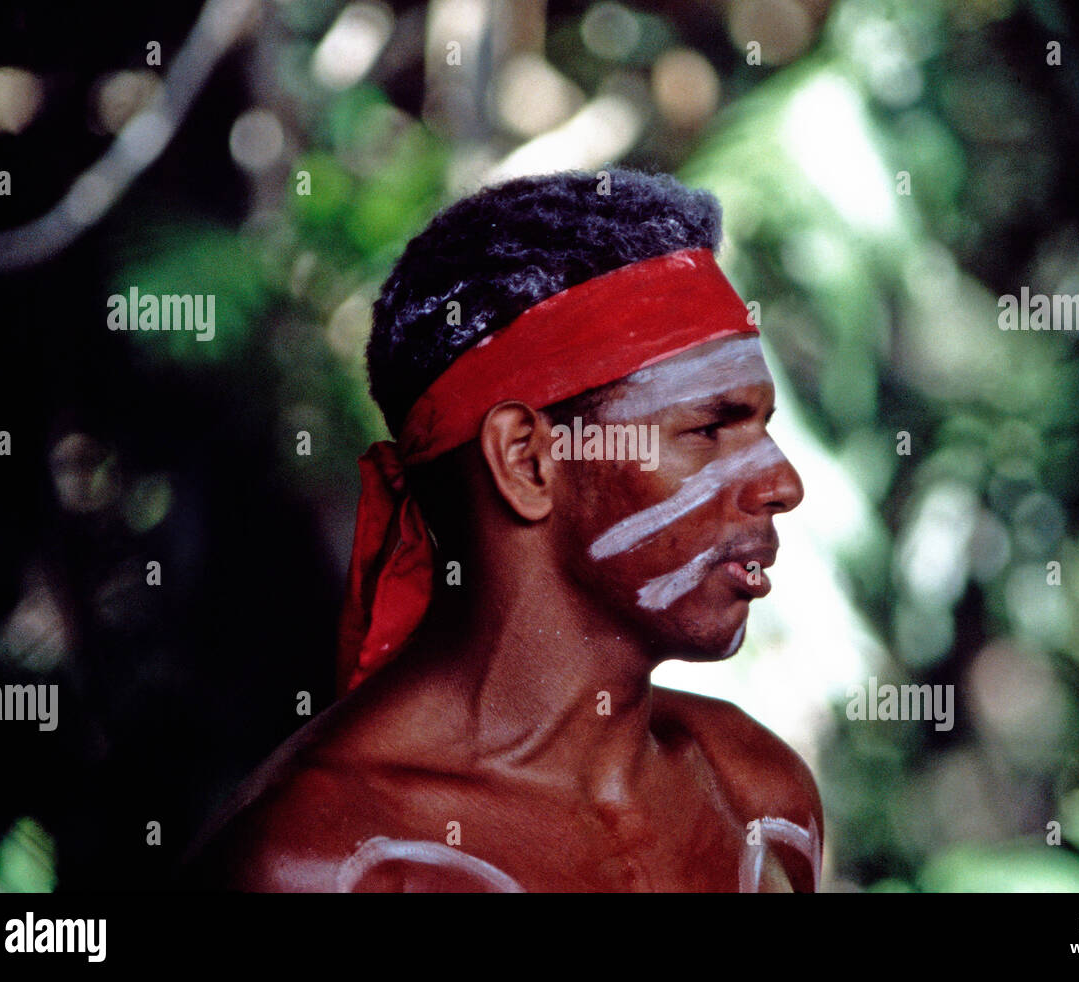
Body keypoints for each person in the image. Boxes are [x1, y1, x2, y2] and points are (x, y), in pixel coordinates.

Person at [185, 168, 823, 892]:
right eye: (709, 429)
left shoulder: (760, 794)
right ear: (526, 461)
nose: (783, 485)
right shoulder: (325, 863)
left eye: (763, 430)